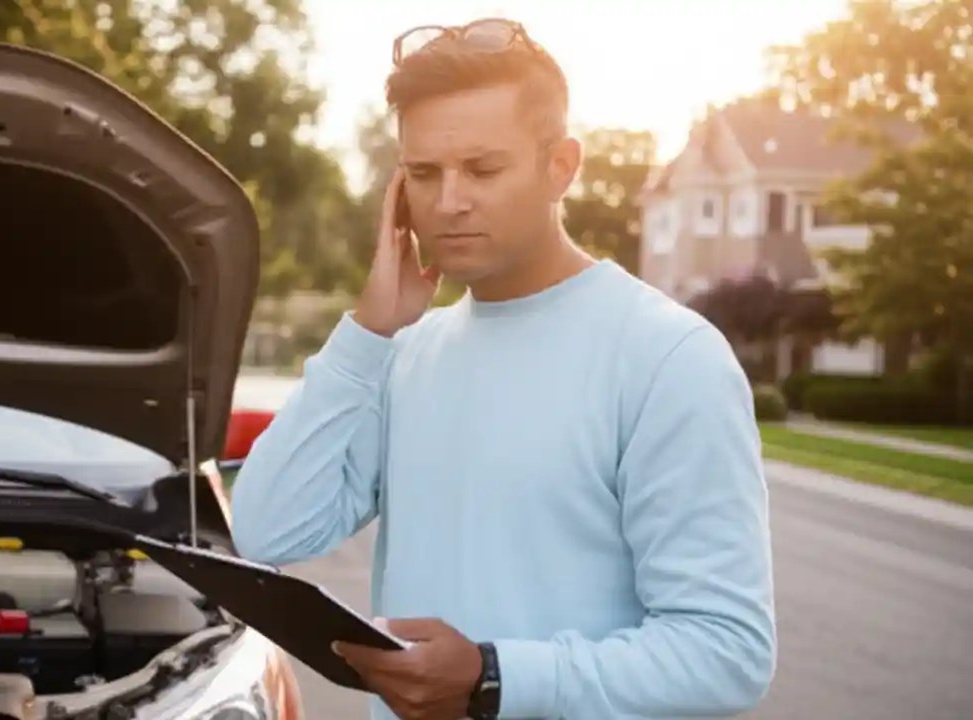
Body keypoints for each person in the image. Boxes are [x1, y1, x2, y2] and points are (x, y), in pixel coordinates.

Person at [229, 17, 776, 720]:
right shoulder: (403, 353)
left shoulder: (668, 357)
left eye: (483, 169)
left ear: (561, 167)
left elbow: (726, 653)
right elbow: (267, 529)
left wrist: (494, 676)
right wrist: (365, 333)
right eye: (424, 174)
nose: (450, 200)